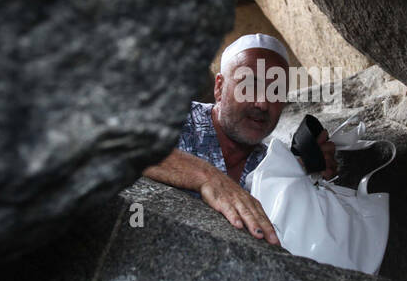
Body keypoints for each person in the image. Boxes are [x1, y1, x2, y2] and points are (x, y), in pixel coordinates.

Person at [142, 34, 336, 244]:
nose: (262, 103)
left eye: (276, 90)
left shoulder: (270, 165)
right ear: (219, 87)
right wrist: (207, 178)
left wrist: (305, 178)